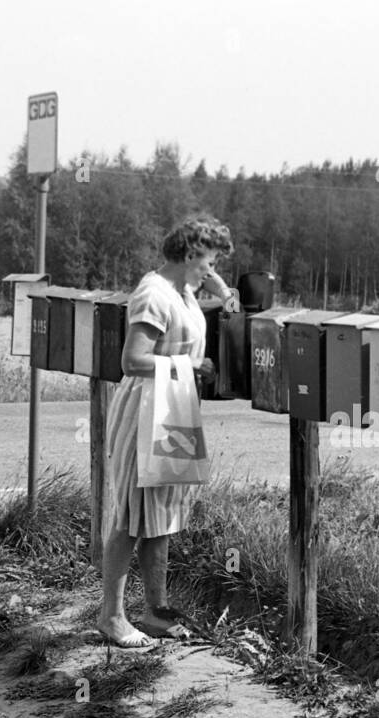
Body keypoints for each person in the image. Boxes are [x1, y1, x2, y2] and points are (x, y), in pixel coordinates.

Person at [97, 214, 236, 647]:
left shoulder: (184, 291)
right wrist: (191, 365)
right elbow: (132, 359)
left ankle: (155, 610)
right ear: (191, 253)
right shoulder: (153, 294)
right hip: (146, 408)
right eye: (208, 262)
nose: (211, 270)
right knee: (132, 515)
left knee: (161, 512)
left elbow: (194, 320)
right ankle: (112, 616)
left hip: (172, 406)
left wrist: (224, 293)